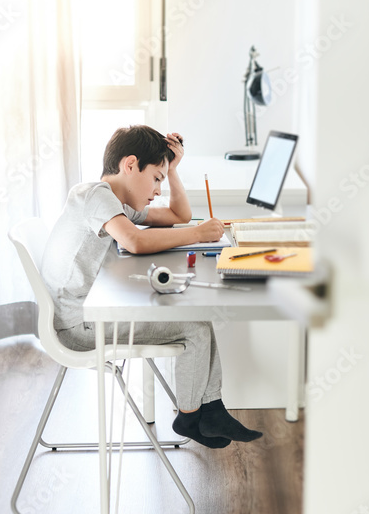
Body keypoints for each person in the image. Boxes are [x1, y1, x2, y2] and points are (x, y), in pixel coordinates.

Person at [40, 125, 262, 448]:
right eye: (156, 178)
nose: (158, 190)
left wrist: (172, 170)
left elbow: (179, 214)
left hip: (85, 313)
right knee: (195, 327)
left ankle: (211, 408)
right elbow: (134, 240)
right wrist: (198, 235)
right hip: (77, 327)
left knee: (197, 320)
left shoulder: (117, 203)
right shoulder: (96, 195)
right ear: (130, 165)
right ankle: (189, 417)